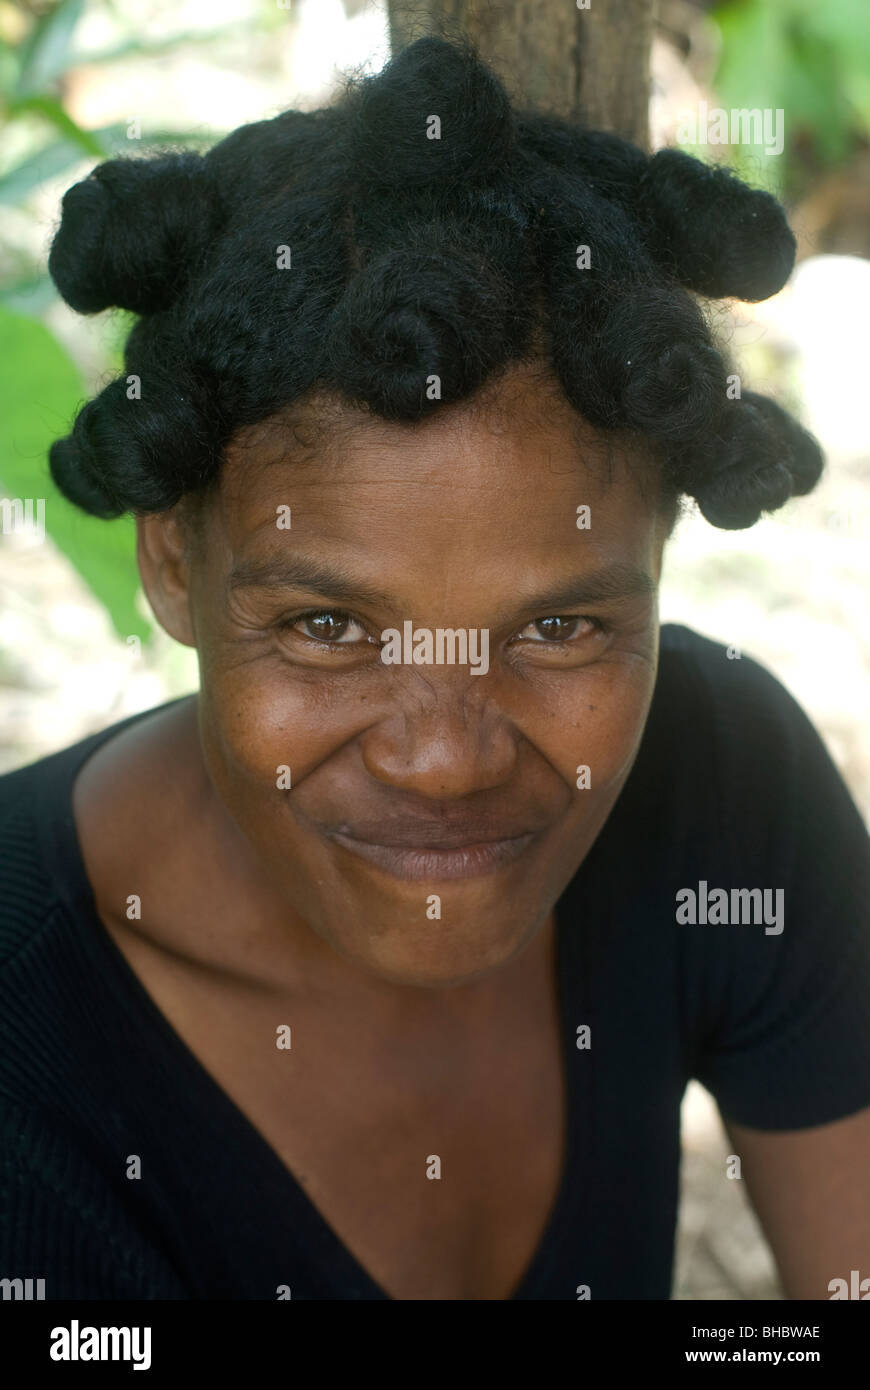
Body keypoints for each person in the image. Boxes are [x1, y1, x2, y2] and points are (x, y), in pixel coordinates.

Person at [1, 36, 868, 1302]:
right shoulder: (32, 1078)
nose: (447, 757)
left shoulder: (723, 793)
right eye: (331, 629)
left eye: (558, 631)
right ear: (174, 563)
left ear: (663, 560)